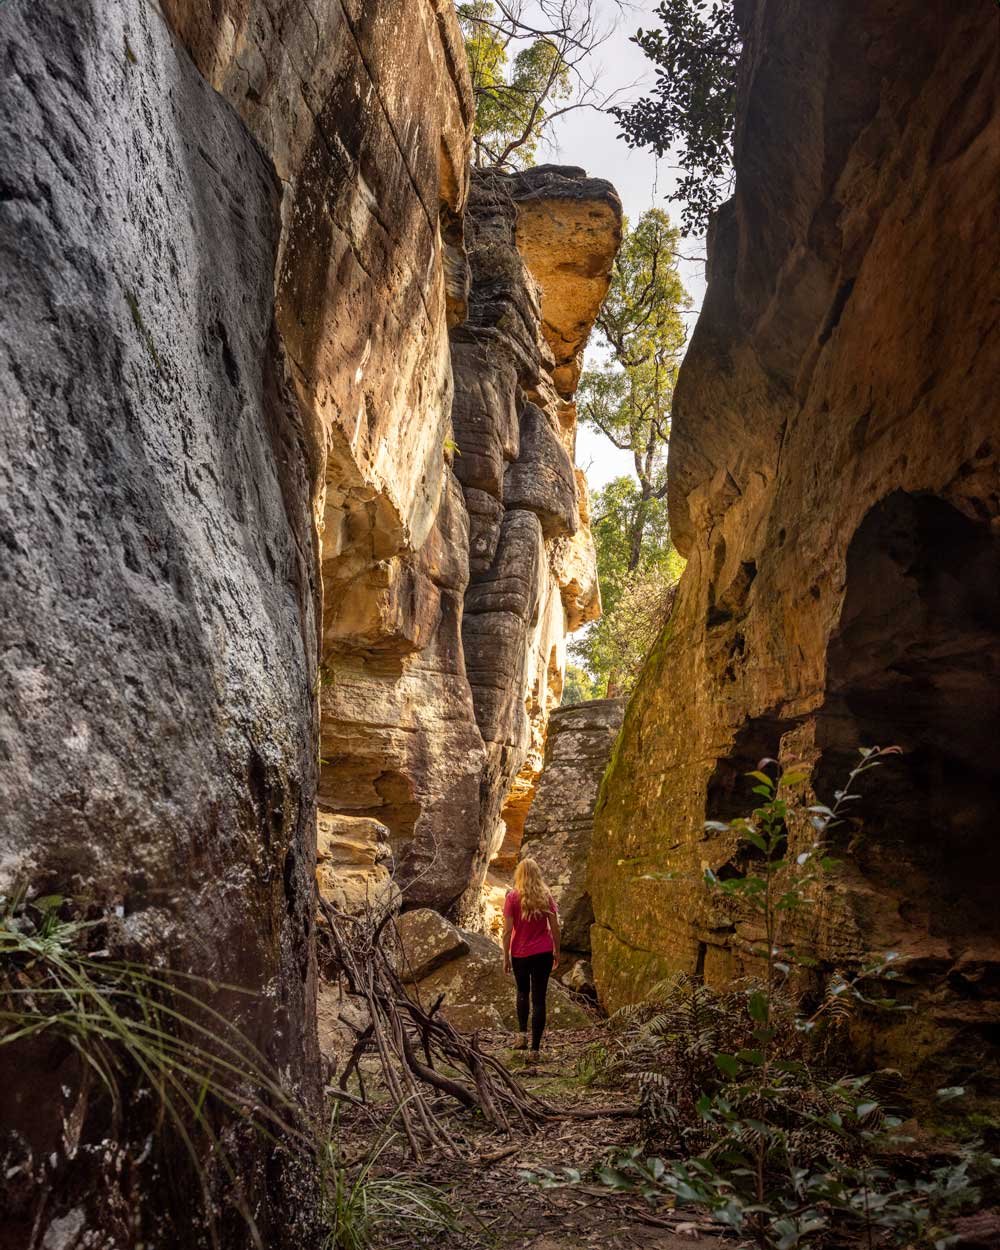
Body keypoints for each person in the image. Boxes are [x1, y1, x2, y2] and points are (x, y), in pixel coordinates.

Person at [502, 857, 560, 1059]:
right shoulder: (546, 896)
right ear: (537, 874)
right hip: (543, 953)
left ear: (519, 874)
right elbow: (555, 927)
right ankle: (535, 1050)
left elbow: (507, 931)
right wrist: (557, 951)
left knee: (522, 992)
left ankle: (521, 1036)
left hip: (520, 953)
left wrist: (505, 956)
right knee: (539, 1000)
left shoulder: (512, 897)